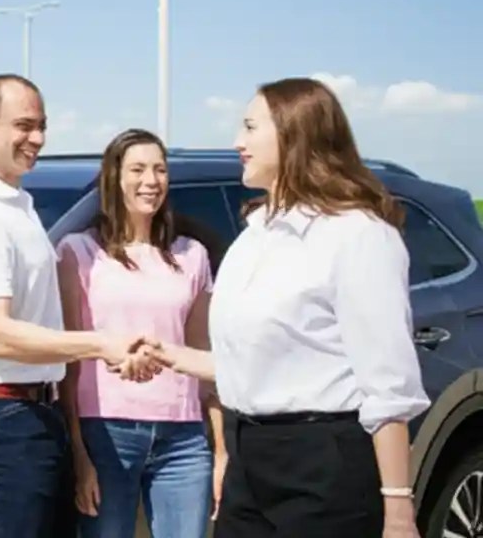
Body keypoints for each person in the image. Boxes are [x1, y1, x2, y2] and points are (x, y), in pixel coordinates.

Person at [139, 77, 430, 537]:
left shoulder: (359, 235)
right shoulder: (256, 236)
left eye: (250, 127)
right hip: (248, 460)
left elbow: (387, 383)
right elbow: (255, 363)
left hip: (323, 467)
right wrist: (169, 355)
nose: (237, 142)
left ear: (296, 134)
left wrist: (397, 512)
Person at [0, 74, 163, 538]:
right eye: (23, 125)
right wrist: (100, 344)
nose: (36, 138)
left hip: (29, 415)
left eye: (41, 126)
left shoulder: (14, 206)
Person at [54, 128, 225, 538]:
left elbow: (203, 355)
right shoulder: (78, 251)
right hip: (105, 434)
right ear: (114, 177)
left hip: (183, 438)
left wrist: (220, 448)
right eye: (138, 169)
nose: (151, 180)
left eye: (160, 169)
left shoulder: (192, 255)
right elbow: (69, 365)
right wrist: (79, 454)